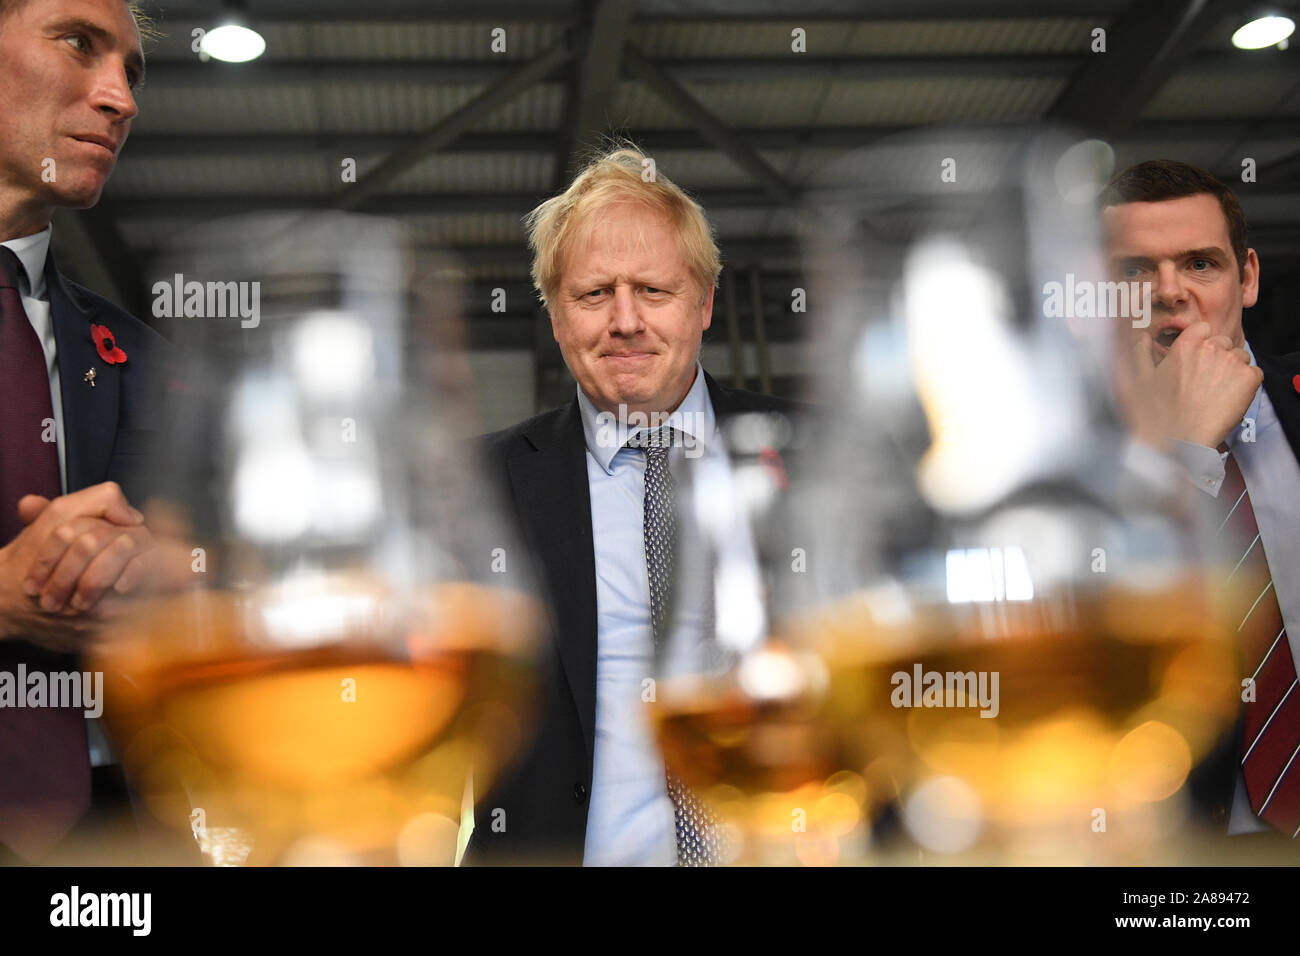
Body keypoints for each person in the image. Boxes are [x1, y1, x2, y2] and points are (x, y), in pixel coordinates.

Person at [466, 146, 799, 865]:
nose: (625, 321)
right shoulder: (480, 485)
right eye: (593, 295)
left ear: (705, 302)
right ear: (556, 318)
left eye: (653, 290)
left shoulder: (814, 455)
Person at [0, 0, 174, 862]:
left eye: (133, 72)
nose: (122, 98)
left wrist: (180, 587)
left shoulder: (147, 360)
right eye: (79, 43)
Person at [1101, 159, 1300, 841]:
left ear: (1246, 278)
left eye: (1200, 265)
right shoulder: (1059, 472)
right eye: (1133, 271)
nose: (1169, 292)